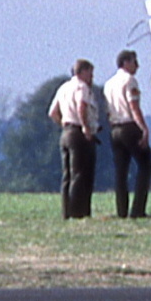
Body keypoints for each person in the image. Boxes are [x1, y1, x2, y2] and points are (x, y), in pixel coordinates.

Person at [47, 59, 100, 219]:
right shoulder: (82, 87)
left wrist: (63, 123)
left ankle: (66, 211)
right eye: (90, 72)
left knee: (67, 175)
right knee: (81, 174)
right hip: (79, 133)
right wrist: (85, 127)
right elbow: (81, 106)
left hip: (66, 132)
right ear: (82, 72)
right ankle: (79, 212)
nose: (92, 77)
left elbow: (52, 112)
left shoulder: (63, 87)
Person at [104, 49, 151, 218]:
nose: (137, 66)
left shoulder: (109, 84)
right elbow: (134, 107)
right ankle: (138, 209)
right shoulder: (130, 81)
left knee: (121, 171)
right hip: (129, 126)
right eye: (134, 62)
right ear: (125, 63)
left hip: (115, 128)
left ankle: (121, 210)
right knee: (145, 165)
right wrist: (143, 128)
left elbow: (108, 110)